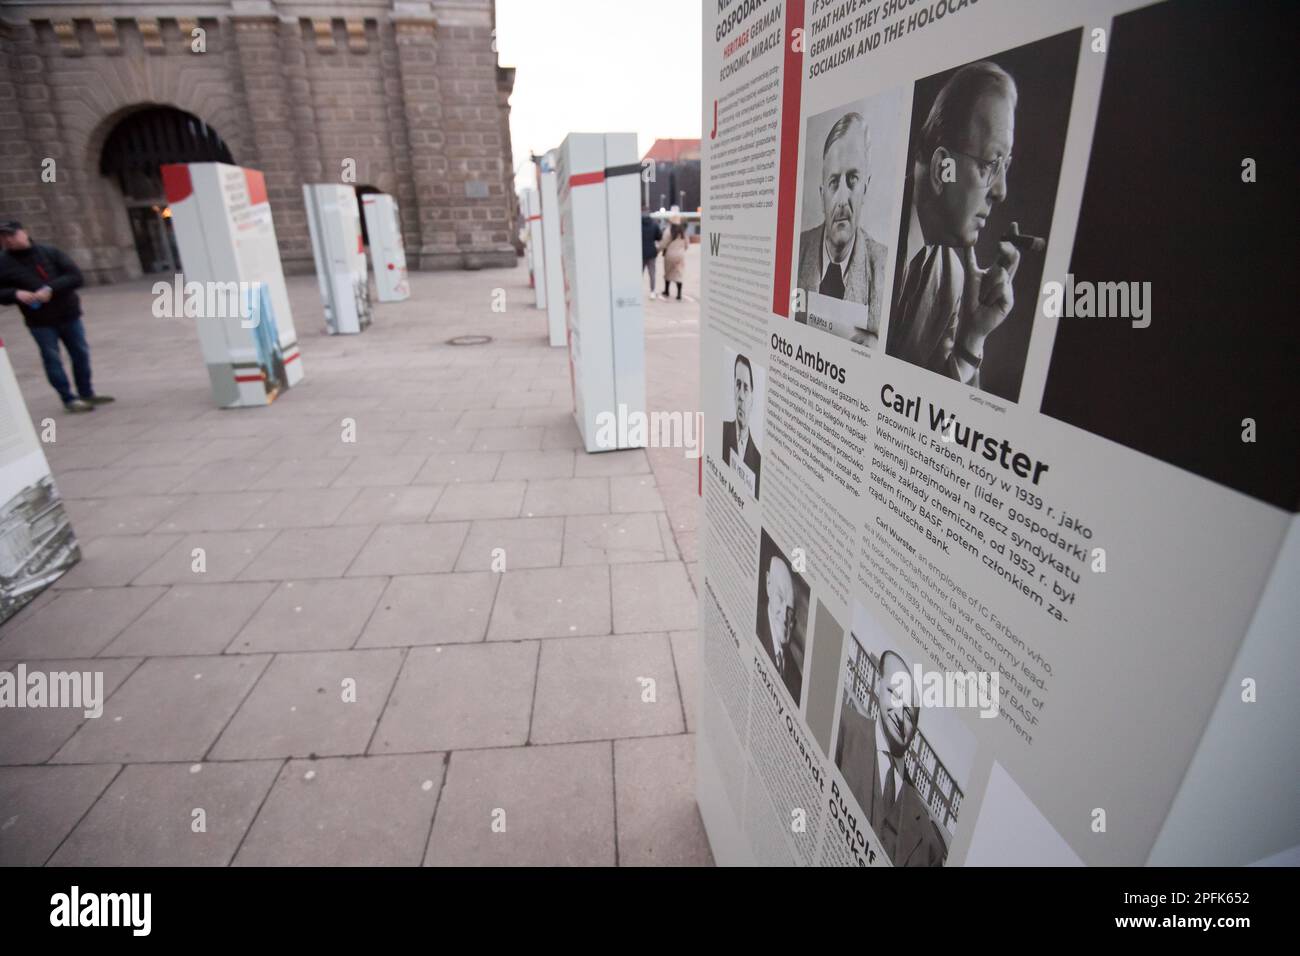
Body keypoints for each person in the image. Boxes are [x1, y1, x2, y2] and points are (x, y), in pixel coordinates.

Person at [887, 62, 1022, 389]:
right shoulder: (866, 220)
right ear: (941, 169)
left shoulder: (952, 283)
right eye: (991, 164)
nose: (1001, 191)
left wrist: (971, 339)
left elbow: (939, 429)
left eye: (1006, 166)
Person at [835, 649, 949, 867]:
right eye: (894, 694)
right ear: (879, 686)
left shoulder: (929, 841)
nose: (898, 714)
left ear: (915, 730)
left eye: (908, 713)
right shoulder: (842, 726)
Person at [0, 221, 113, 413]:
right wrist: (15, 294)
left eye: (11, 234)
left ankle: (86, 393)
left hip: (68, 313)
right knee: (52, 358)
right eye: (3, 237)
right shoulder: (3, 262)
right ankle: (68, 398)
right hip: (39, 320)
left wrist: (51, 288)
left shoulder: (49, 252)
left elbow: (75, 276)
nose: (7, 240)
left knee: (80, 354)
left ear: (24, 232)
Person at [795, 112, 888, 346]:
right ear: (822, 195)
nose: (843, 197)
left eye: (853, 179)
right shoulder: (797, 253)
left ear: (865, 188)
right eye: (834, 182)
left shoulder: (883, 268)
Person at [756, 552, 802, 704]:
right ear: (768, 583)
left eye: (791, 612)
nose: (784, 617)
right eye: (780, 598)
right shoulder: (754, 625)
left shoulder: (797, 680)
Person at [720, 354, 761, 499]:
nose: (741, 396)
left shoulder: (758, 460)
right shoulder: (722, 432)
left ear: (752, 397)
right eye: (738, 385)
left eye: (746, 388)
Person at [658, 220, 689, 301]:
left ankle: (667, 291)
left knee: (668, 272)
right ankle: (679, 294)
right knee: (679, 273)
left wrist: (657, 251)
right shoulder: (683, 232)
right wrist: (682, 250)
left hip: (669, 255)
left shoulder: (668, 231)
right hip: (680, 256)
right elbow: (687, 244)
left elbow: (663, 244)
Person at [640, 212, 663, 299]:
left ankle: (637, 290)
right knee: (652, 273)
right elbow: (659, 236)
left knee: (639, 274)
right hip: (651, 253)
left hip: (641, 253)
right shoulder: (654, 224)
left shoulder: (638, 225)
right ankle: (652, 292)